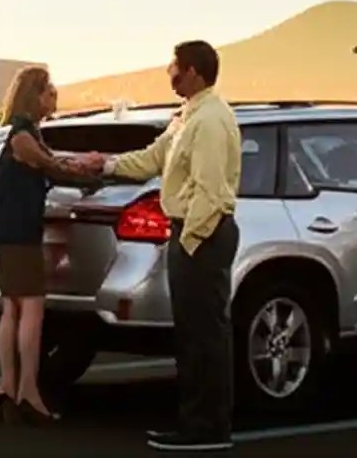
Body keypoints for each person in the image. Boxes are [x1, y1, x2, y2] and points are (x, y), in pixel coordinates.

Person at [75, 40, 241, 452]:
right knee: (190, 332)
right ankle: (194, 420)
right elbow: (152, 160)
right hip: (190, 233)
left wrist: (189, 239)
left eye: (175, 68)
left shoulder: (211, 121)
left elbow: (209, 189)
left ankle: (208, 427)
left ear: (194, 72)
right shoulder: (186, 118)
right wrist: (107, 165)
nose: (170, 74)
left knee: (204, 333)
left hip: (202, 233)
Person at [0, 66, 92, 426]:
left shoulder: (26, 133)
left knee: (12, 308)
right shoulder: (22, 136)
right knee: (30, 308)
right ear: (36, 95)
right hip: (19, 234)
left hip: (11, 232)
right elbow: (51, 167)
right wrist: (90, 168)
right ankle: (25, 391)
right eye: (50, 92)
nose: (54, 99)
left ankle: (10, 387)